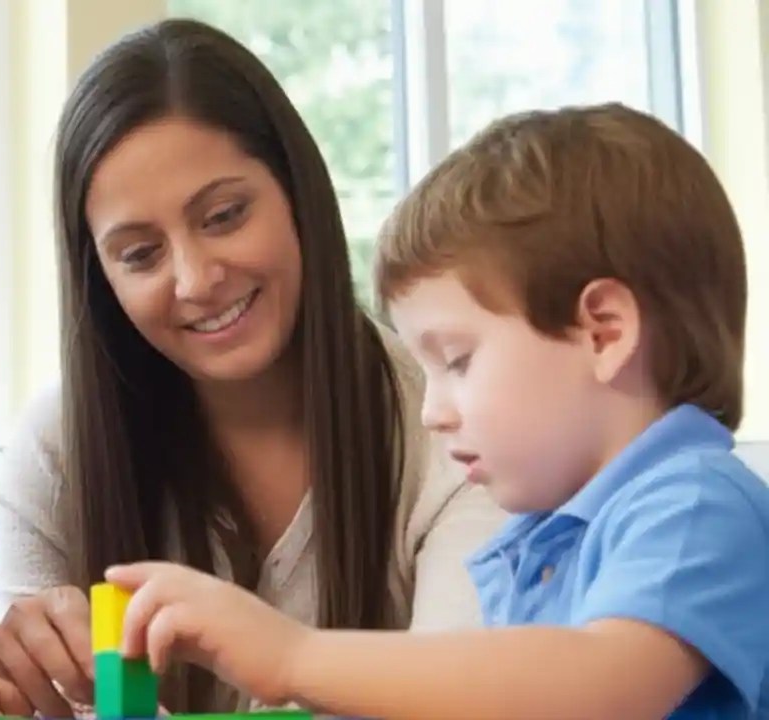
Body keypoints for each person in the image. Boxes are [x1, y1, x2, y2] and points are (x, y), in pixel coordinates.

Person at [92, 104, 769, 718]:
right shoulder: (544, 537)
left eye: (458, 360)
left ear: (604, 332)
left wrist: (293, 657)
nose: (432, 414)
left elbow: (600, 690)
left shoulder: (695, 506)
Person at [0, 17, 507, 717]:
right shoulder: (58, 450)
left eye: (224, 216)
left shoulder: (456, 428)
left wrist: (286, 659)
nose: (195, 278)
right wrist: (11, 693)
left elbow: (464, 699)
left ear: (297, 193)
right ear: (102, 281)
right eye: (140, 255)